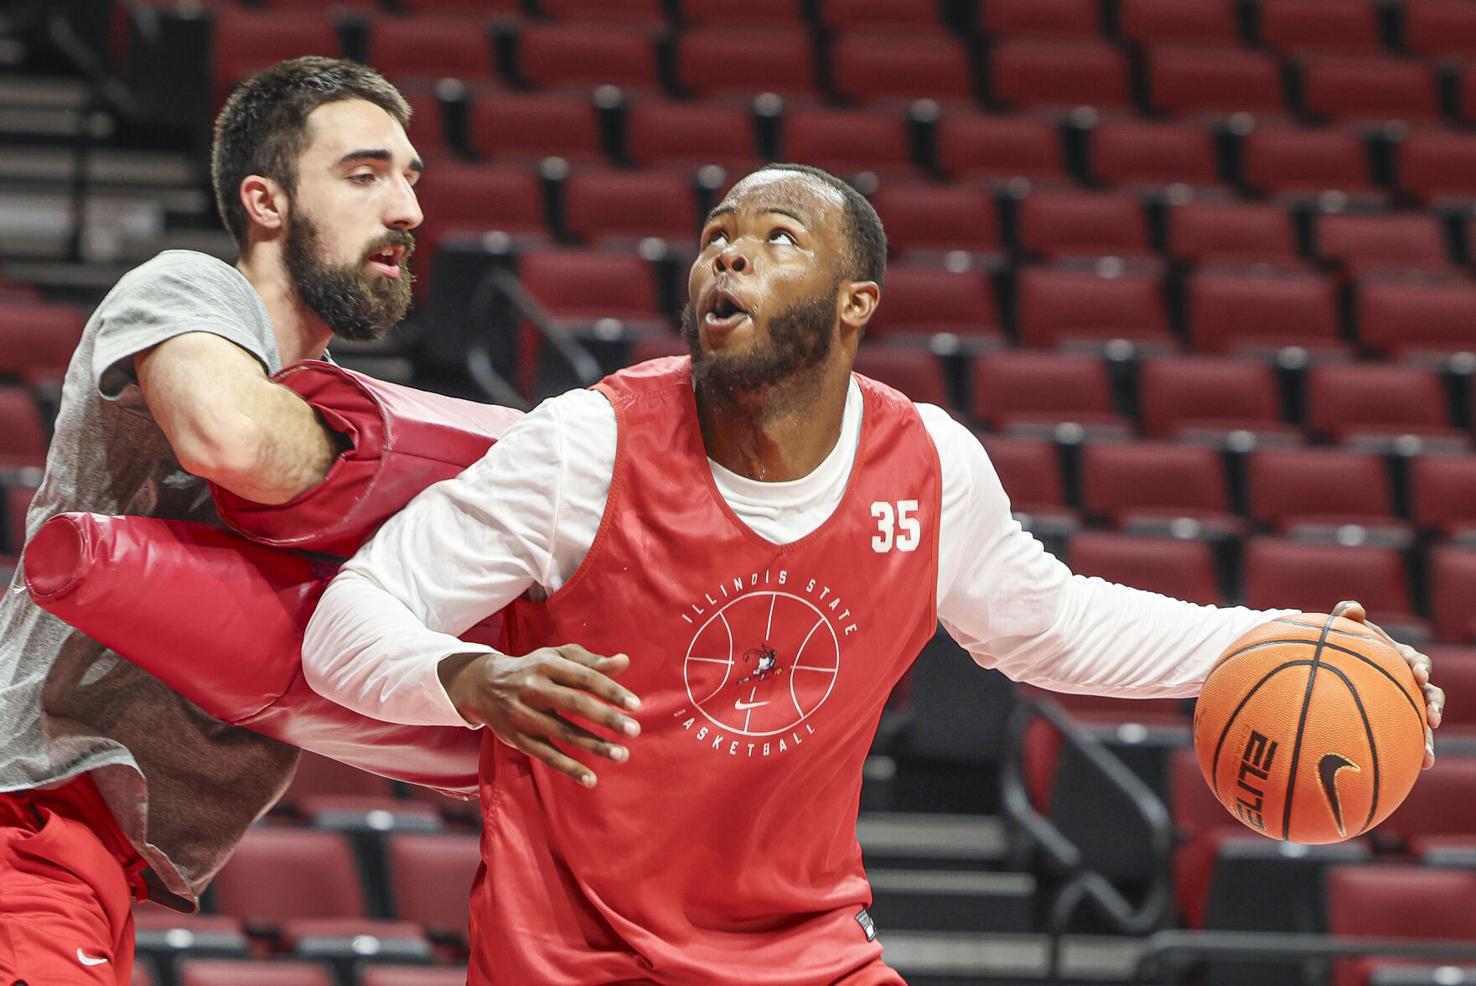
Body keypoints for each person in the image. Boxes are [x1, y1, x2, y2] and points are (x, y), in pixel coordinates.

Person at [301, 163, 1445, 986]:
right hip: (579, 956)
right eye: (717, 234)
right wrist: (464, 676)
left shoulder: (929, 461)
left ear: (858, 305)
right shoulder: (585, 445)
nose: (730, 251)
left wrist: (1302, 644)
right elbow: (346, 621)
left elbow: (1051, 626)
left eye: (777, 237)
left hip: (807, 948)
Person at [0, 56, 425, 985]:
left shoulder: (345, 400)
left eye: (409, 177)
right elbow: (231, 438)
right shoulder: (186, 288)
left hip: (93, 857)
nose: (407, 210)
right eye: (365, 175)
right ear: (266, 202)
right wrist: (396, 485)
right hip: (25, 820)